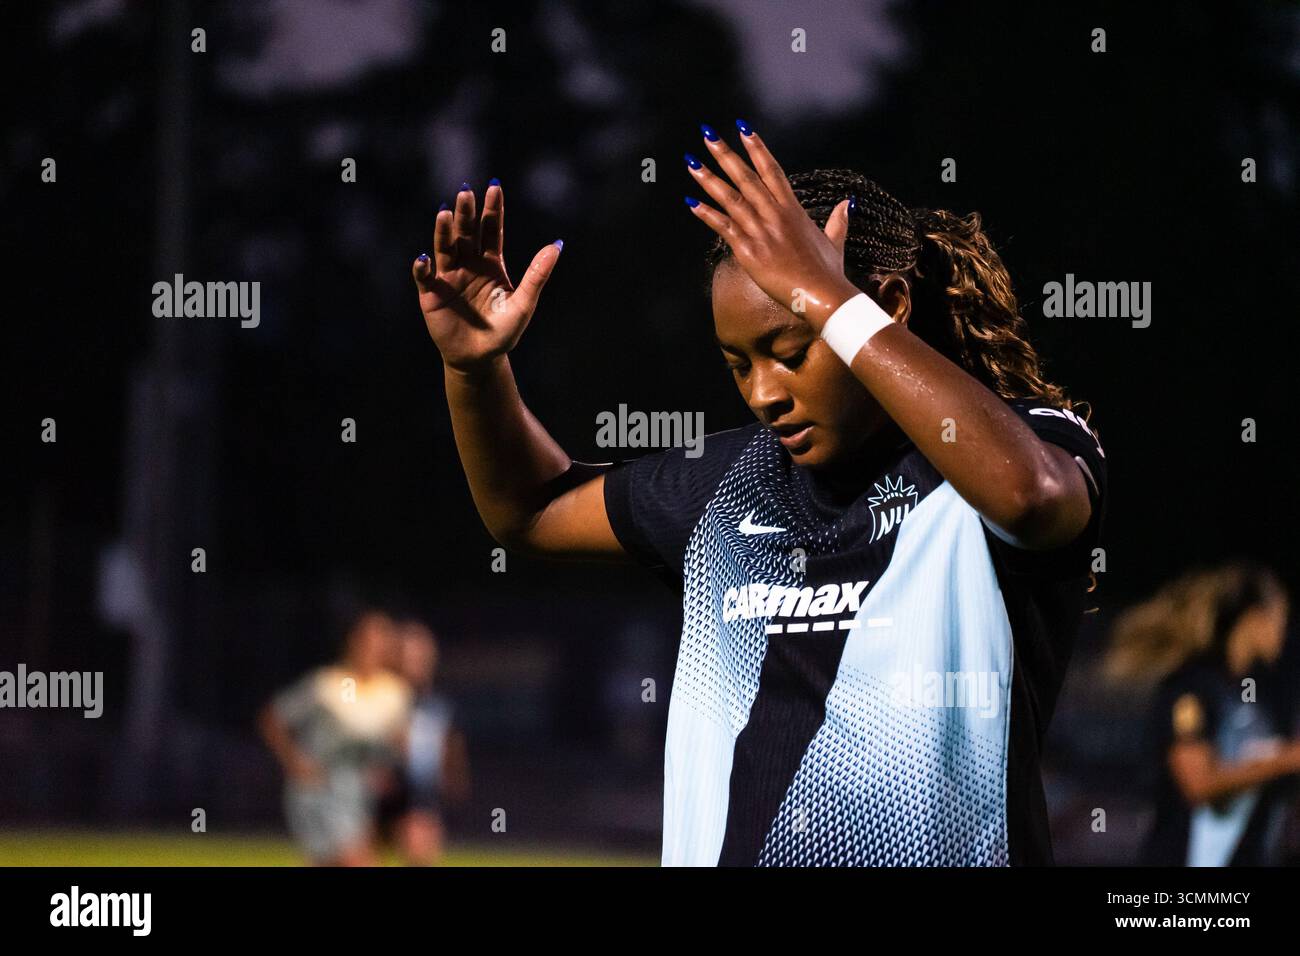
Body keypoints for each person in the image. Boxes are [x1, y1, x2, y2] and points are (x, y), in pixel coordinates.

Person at [411, 121, 1107, 866]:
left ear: (888, 305)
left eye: (791, 349)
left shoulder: (1015, 448)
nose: (764, 394)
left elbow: (1032, 498)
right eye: (738, 364)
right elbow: (529, 509)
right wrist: (476, 372)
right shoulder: (729, 483)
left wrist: (829, 298)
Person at [1105, 563, 1300, 865]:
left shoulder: (1250, 693)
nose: (1283, 629)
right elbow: (1198, 783)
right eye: (1280, 615)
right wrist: (1286, 759)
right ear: (1254, 616)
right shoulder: (1191, 687)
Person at [258, 609, 412, 866]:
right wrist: (294, 761)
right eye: (369, 639)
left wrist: (387, 766)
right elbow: (272, 719)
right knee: (358, 861)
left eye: (382, 640)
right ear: (353, 641)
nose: (375, 647)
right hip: (321, 789)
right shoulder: (327, 684)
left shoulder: (393, 692)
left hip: (358, 793)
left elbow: (394, 745)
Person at [377, 619, 470, 866]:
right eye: (408, 654)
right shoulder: (379, 696)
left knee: (420, 853)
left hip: (420, 796)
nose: (416, 661)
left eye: (421, 654)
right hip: (374, 795)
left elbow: (452, 749)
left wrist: (453, 784)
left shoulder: (439, 705)